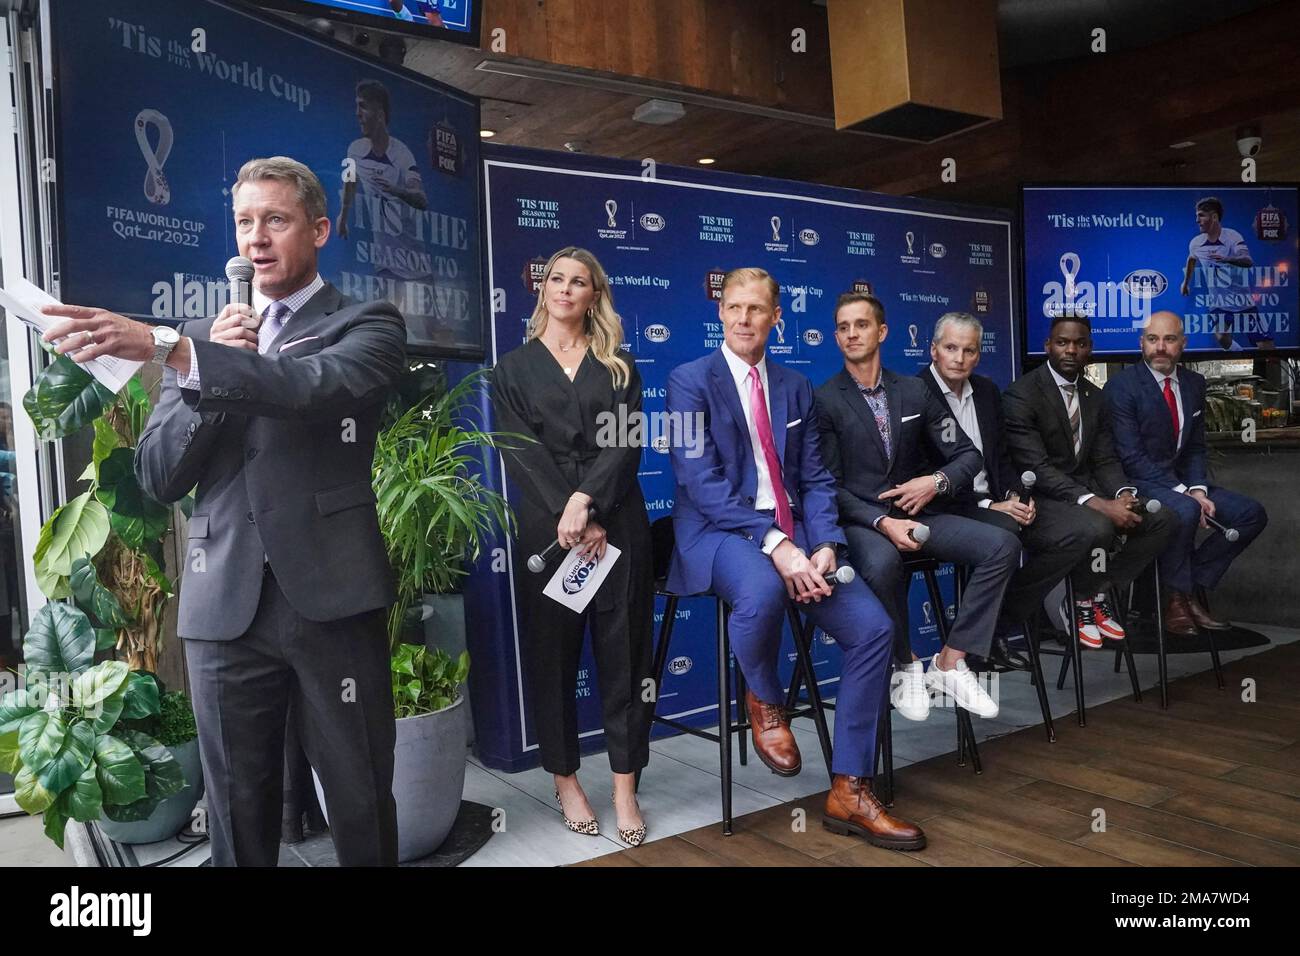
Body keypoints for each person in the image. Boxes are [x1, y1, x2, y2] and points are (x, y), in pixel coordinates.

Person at [41, 156, 406, 866]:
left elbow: (312, 388)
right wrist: (200, 364)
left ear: (320, 228)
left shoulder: (367, 323)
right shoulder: (201, 339)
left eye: (276, 219)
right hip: (222, 603)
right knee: (237, 809)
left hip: (331, 596)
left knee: (360, 796)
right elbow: (158, 475)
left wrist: (183, 354)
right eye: (244, 221)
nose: (256, 238)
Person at [666, 267, 924, 851]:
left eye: (756, 309)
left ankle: (849, 789)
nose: (743, 319)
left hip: (799, 533)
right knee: (760, 591)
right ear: (720, 311)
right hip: (716, 530)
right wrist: (778, 546)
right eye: (733, 307)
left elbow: (815, 477)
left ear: (776, 317)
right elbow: (699, 481)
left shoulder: (796, 386)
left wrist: (826, 542)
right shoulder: (685, 381)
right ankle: (765, 696)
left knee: (873, 630)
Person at [490, 247, 653, 847]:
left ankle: (625, 790)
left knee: (626, 659)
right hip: (547, 528)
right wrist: (569, 510)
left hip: (617, 525)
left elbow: (626, 446)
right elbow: (519, 450)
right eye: (555, 279)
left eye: (577, 281)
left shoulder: (621, 367)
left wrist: (591, 504)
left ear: (594, 295)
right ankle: (566, 784)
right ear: (543, 290)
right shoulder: (512, 367)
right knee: (553, 659)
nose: (564, 288)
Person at [815, 295, 1012, 724]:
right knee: (885, 561)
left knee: (1001, 544)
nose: (852, 333)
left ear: (881, 332)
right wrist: (881, 521)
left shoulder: (915, 390)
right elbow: (827, 486)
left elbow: (966, 454)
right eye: (844, 327)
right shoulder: (825, 400)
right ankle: (905, 664)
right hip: (861, 520)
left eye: (862, 325)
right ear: (835, 336)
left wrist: (935, 481)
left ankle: (949, 662)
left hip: (919, 514)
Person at [920, 312, 1099, 644]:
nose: (959, 359)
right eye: (951, 348)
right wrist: (993, 505)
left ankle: (1002, 618)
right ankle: (978, 642)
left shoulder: (987, 391)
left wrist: (1015, 497)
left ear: (978, 353)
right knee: (1006, 531)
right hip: (948, 510)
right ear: (933, 350)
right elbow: (925, 476)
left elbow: (1002, 458)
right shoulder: (915, 393)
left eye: (969, 350)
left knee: (1078, 532)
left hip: (996, 503)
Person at [1003, 315, 1174, 644]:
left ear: (1090, 349)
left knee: (1161, 519)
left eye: (1080, 344)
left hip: (1086, 495)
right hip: (1042, 498)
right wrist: (1099, 504)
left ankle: (1096, 591)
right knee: (1098, 525)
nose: (1071, 350)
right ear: (1048, 346)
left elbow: (1103, 458)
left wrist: (1122, 493)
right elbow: (1037, 467)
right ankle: (1071, 599)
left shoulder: (1095, 396)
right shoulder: (1022, 395)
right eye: (1063, 342)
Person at [1104, 310, 1267, 632]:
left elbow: (1194, 447)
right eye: (1153, 339)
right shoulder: (1121, 387)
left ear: (1183, 343)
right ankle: (1176, 601)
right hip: (1139, 484)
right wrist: (1186, 495)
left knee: (1251, 514)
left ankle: (1185, 586)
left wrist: (1198, 489)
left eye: (1169, 339)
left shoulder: (1194, 383)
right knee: (1185, 510)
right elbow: (1131, 456)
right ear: (1141, 343)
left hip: (1181, 485)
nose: (1160, 347)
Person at [1179, 196, 1257, 351]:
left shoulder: (1232, 236)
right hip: (1220, 302)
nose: (1197, 220)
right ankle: (1239, 353)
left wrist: (1227, 259)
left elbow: (1248, 261)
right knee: (1221, 336)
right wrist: (1185, 282)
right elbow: (1191, 260)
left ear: (1214, 217)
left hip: (1243, 301)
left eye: (1201, 215)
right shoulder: (1196, 243)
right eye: (1197, 216)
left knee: (1265, 345)